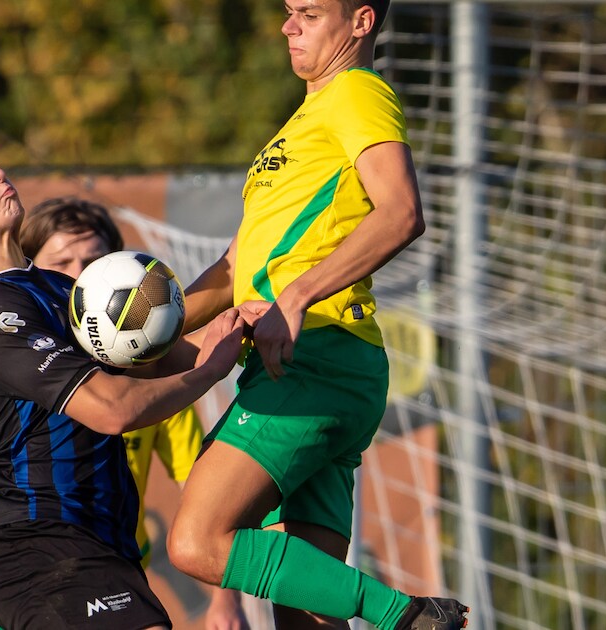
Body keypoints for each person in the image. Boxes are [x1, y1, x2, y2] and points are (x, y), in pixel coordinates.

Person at [164, 1, 470, 629]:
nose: (288, 25)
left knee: (196, 540)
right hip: (314, 366)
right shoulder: (301, 124)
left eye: (307, 11)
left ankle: (407, 616)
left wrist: (295, 298)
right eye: (287, 10)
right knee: (307, 616)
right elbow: (232, 270)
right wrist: (145, 326)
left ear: (360, 22)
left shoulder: (357, 93)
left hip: (317, 359)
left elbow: (401, 212)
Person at [0, 110, 246, 630]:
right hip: (39, 551)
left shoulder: (55, 291)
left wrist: (247, 286)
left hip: (104, 548)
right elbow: (112, 410)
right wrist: (212, 368)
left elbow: (172, 351)